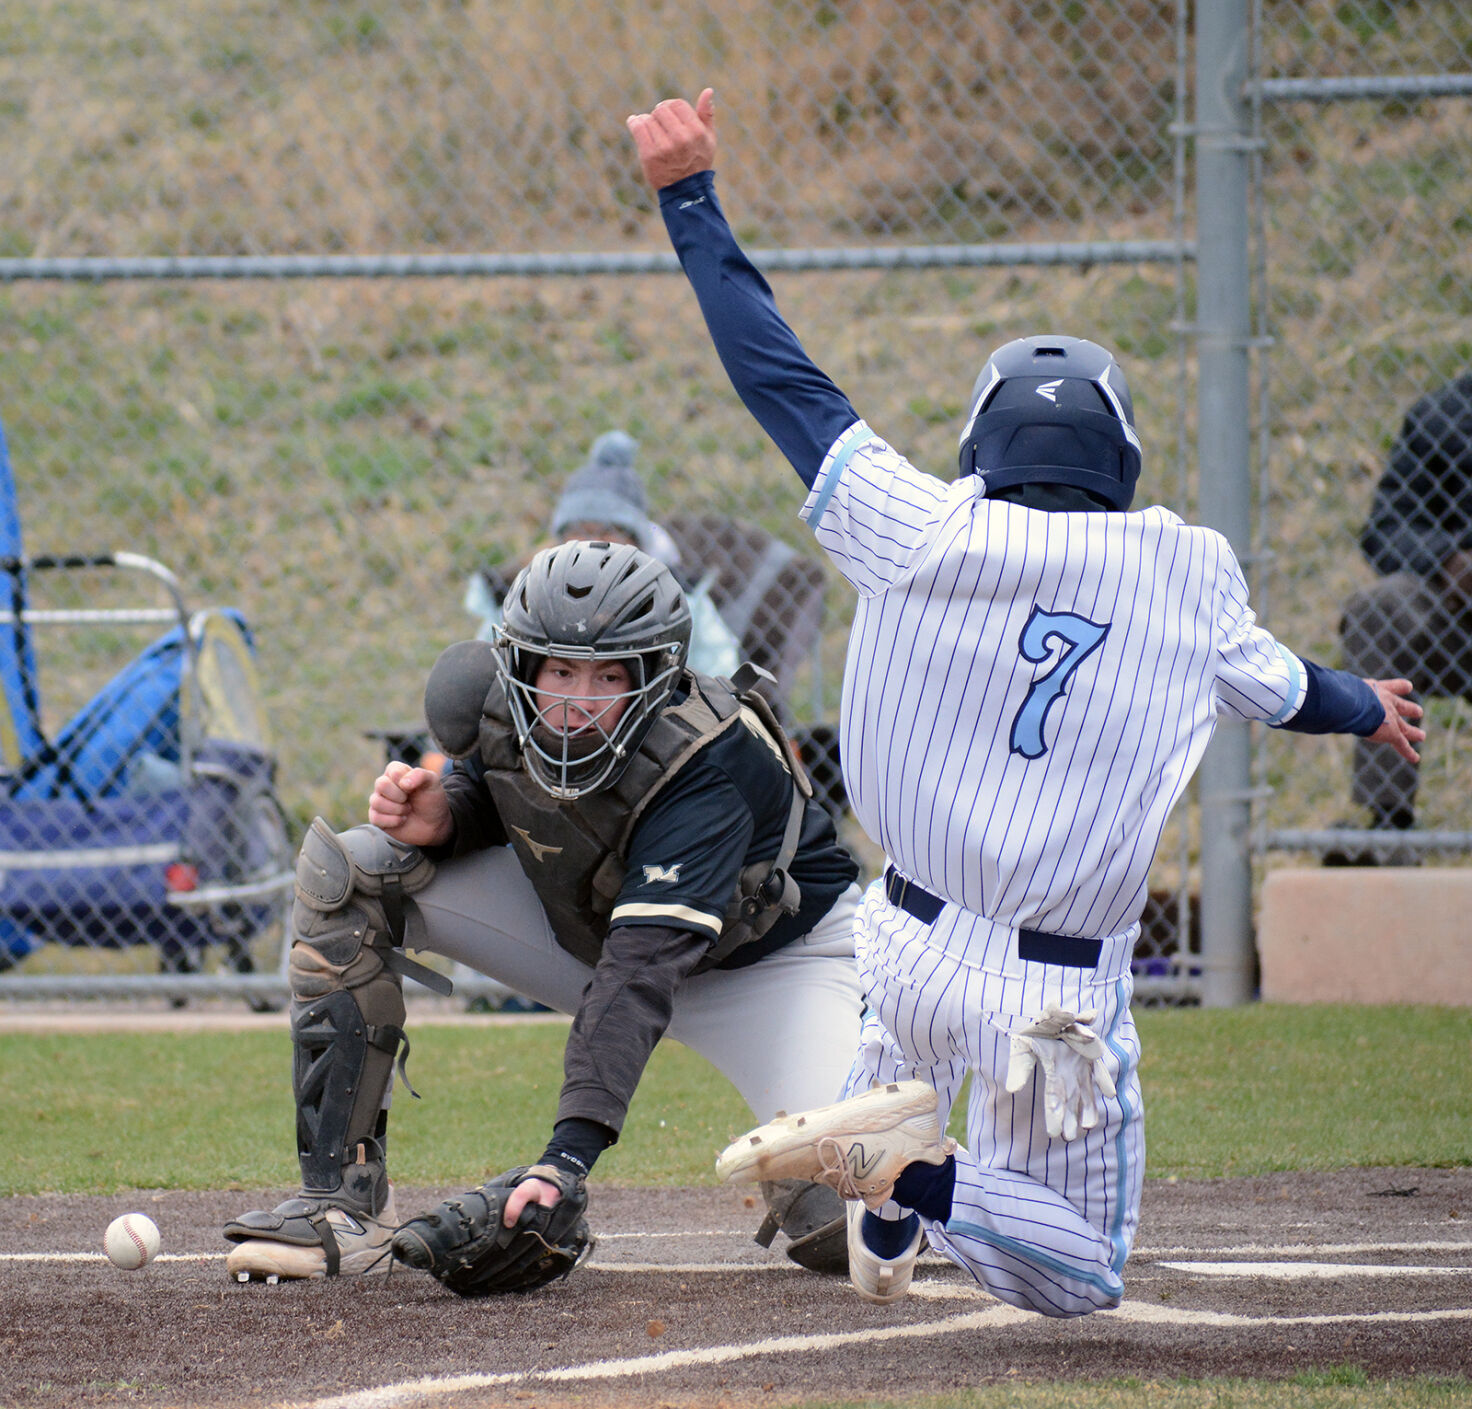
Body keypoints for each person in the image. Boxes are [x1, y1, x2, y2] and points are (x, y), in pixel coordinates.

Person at [624, 89, 1425, 1315]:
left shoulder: (914, 524)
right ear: (1120, 461)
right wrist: (1362, 705)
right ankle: (909, 1178)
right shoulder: (1185, 567)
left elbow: (778, 376)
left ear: (978, 450)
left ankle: (884, 1188)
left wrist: (689, 198)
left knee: (910, 1100)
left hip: (898, 944)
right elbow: (1284, 690)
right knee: (1073, 1271)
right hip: (1046, 994)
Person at [223, 539, 864, 1284]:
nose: (573, 701)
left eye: (608, 676)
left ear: (657, 676)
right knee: (357, 870)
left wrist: (563, 1162)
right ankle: (339, 1206)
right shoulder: (502, 706)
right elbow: (516, 796)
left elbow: (638, 975)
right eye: (559, 669)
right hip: (595, 928)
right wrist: (449, 815)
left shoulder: (706, 765)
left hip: (777, 968)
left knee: (859, 1220)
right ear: (523, 664)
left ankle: (814, 1159)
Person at [464, 429, 742, 680]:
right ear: (560, 538)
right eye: (581, 530)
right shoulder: (523, 592)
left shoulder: (676, 598)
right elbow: (488, 671)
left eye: (609, 531)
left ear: (637, 542)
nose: (592, 543)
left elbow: (720, 672)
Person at [1338, 371, 1472, 839]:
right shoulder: (1446, 415)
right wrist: (1449, 562)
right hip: (1459, 619)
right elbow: (1387, 528)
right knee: (1379, 610)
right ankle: (1389, 824)